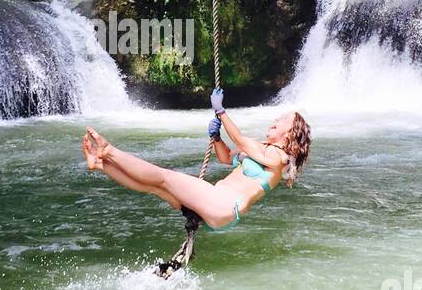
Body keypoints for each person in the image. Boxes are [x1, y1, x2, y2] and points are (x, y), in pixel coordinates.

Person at [82, 89, 311, 231]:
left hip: (223, 204)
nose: (275, 120)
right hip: (216, 204)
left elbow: (240, 140)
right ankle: (101, 164)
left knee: (164, 176)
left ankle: (109, 151)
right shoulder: (263, 151)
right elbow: (226, 157)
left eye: (282, 120)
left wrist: (221, 111)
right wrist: (217, 137)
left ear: (290, 133)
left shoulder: (279, 157)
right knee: (155, 187)